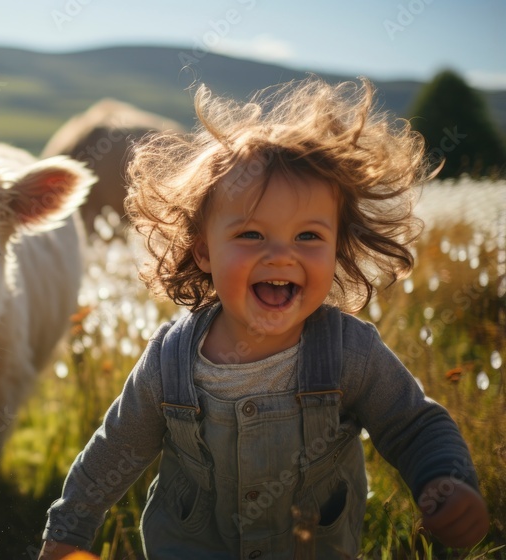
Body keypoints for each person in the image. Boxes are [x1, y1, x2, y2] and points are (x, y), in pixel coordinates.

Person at [37, 77, 489, 559]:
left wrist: (446, 480)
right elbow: (114, 452)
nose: (281, 255)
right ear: (204, 250)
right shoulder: (168, 361)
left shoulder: (350, 354)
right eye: (252, 234)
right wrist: (69, 531)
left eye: (309, 236)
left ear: (338, 245)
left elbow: (412, 425)